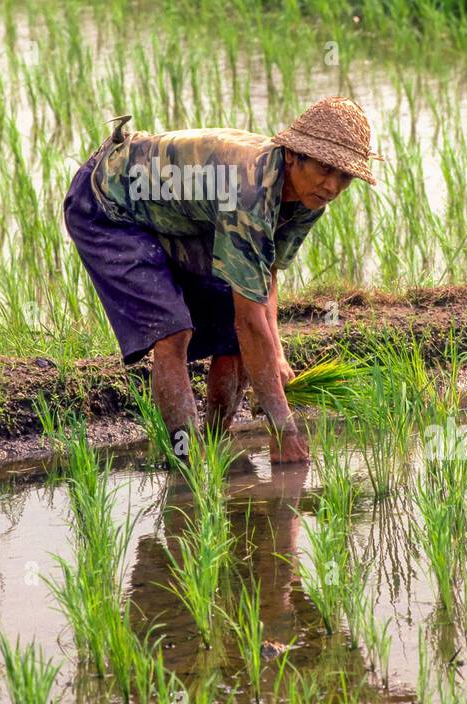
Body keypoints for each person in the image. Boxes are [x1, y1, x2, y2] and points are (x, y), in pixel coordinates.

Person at [64, 96, 380, 463]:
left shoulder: (309, 200)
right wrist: (283, 427)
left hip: (178, 215)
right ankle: (186, 458)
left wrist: (276, 351)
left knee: (235, 337)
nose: (332, 185)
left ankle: (215, 448)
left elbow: (266, 276)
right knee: (173, 332)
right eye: (325, 168)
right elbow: (251, 318)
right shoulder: (249, 190)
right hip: (107, 203)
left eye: (345, 176)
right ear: (294, 155)